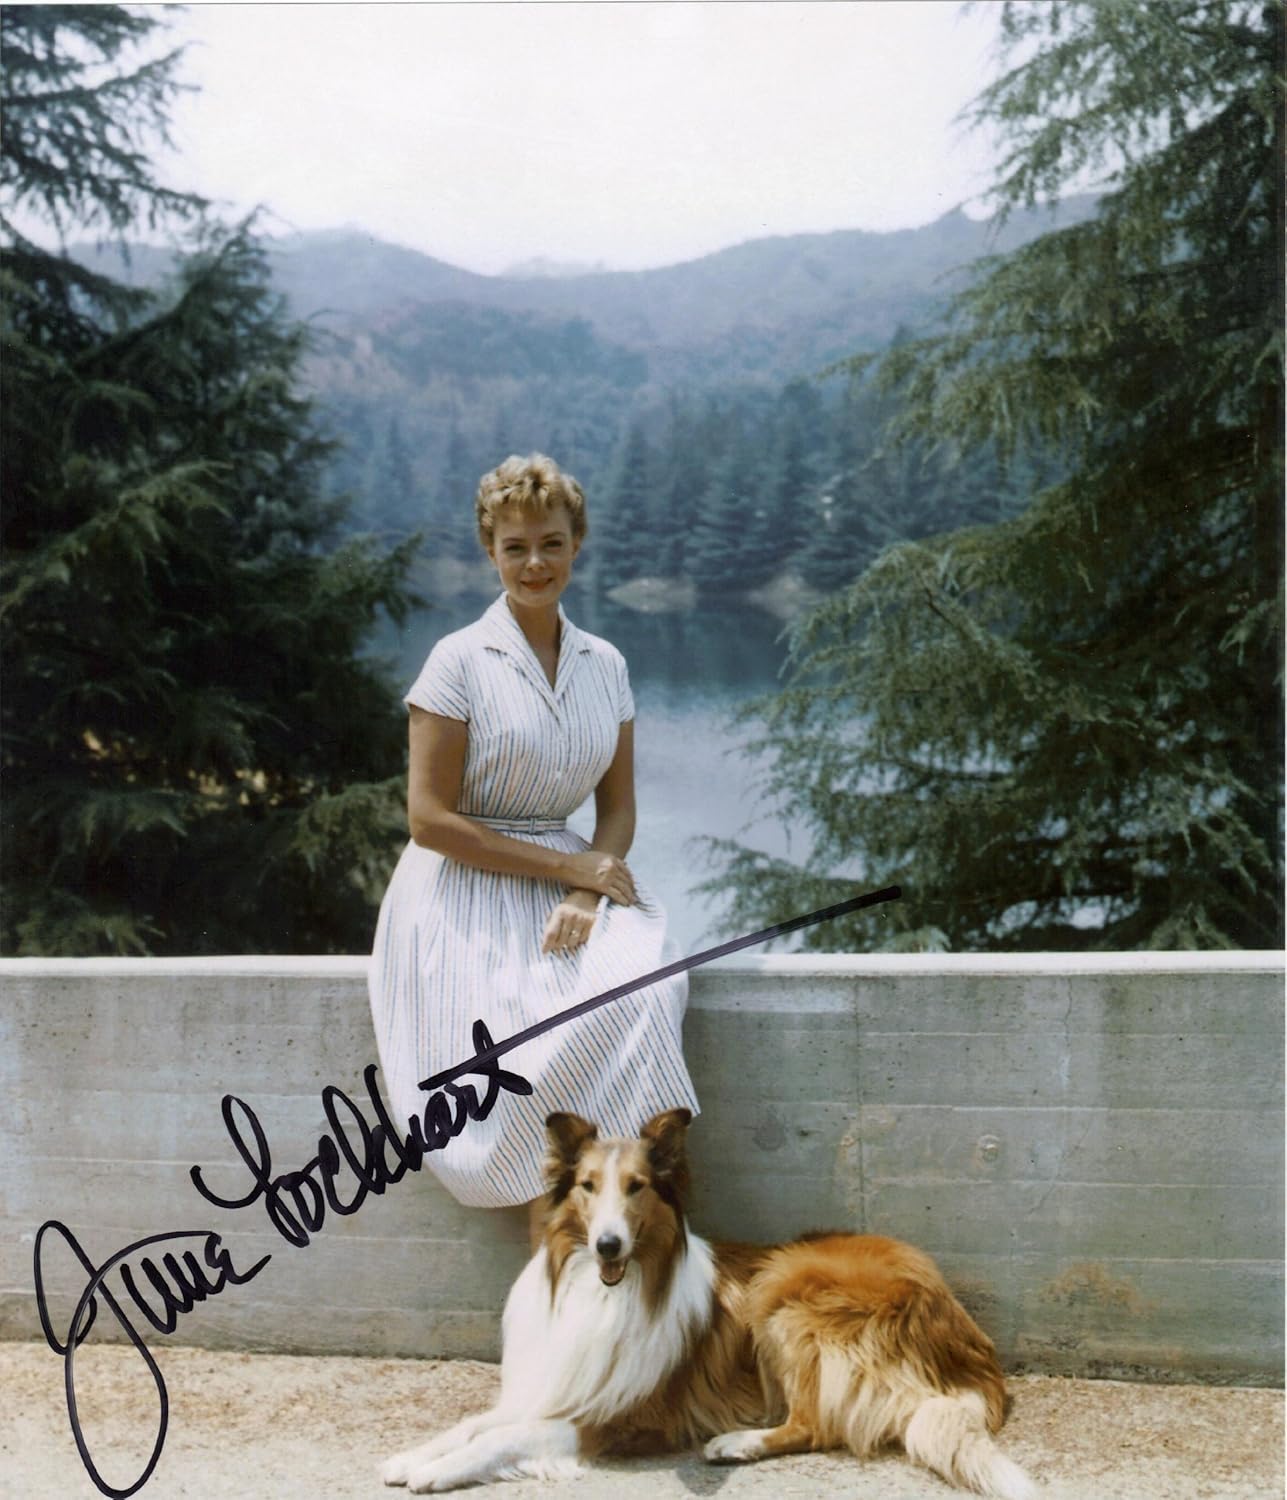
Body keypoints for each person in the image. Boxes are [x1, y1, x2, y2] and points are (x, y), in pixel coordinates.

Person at [368, 453, 699, 1246]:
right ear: (490, 551)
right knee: (527, 1037)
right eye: (514, 548)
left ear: (576, 544)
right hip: (461, 884)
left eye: (551, 544)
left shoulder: (604, 664)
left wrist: (584, 891)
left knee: (650, 987)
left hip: (568, 876)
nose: (534, 565)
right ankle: (560, 1226)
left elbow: (617, 810)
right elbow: (428, 820)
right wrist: (565, 868)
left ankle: (626, 1220)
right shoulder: (457, 661)